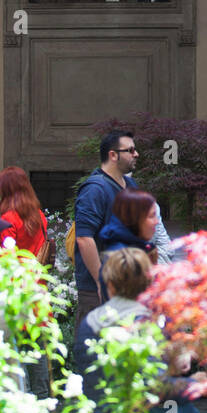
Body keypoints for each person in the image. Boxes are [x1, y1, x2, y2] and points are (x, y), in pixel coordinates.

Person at [74, 248, 207, 413]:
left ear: (110, 284)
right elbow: (156, 388)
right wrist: (195, 383)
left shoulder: (89, 323)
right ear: (148, 282)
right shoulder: (151, 322)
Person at [73, 131, 141, 328]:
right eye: (130, 150)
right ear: (113, 155)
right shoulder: (95, 189)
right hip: (98, 291)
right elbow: (84, 238)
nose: (136, 154)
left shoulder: (130, 185)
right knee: (94, 352)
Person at [0, 166, 52, 264]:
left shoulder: (8, 218)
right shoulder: (39, 214)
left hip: (18, 276)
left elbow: (7, 255)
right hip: (38, 275)